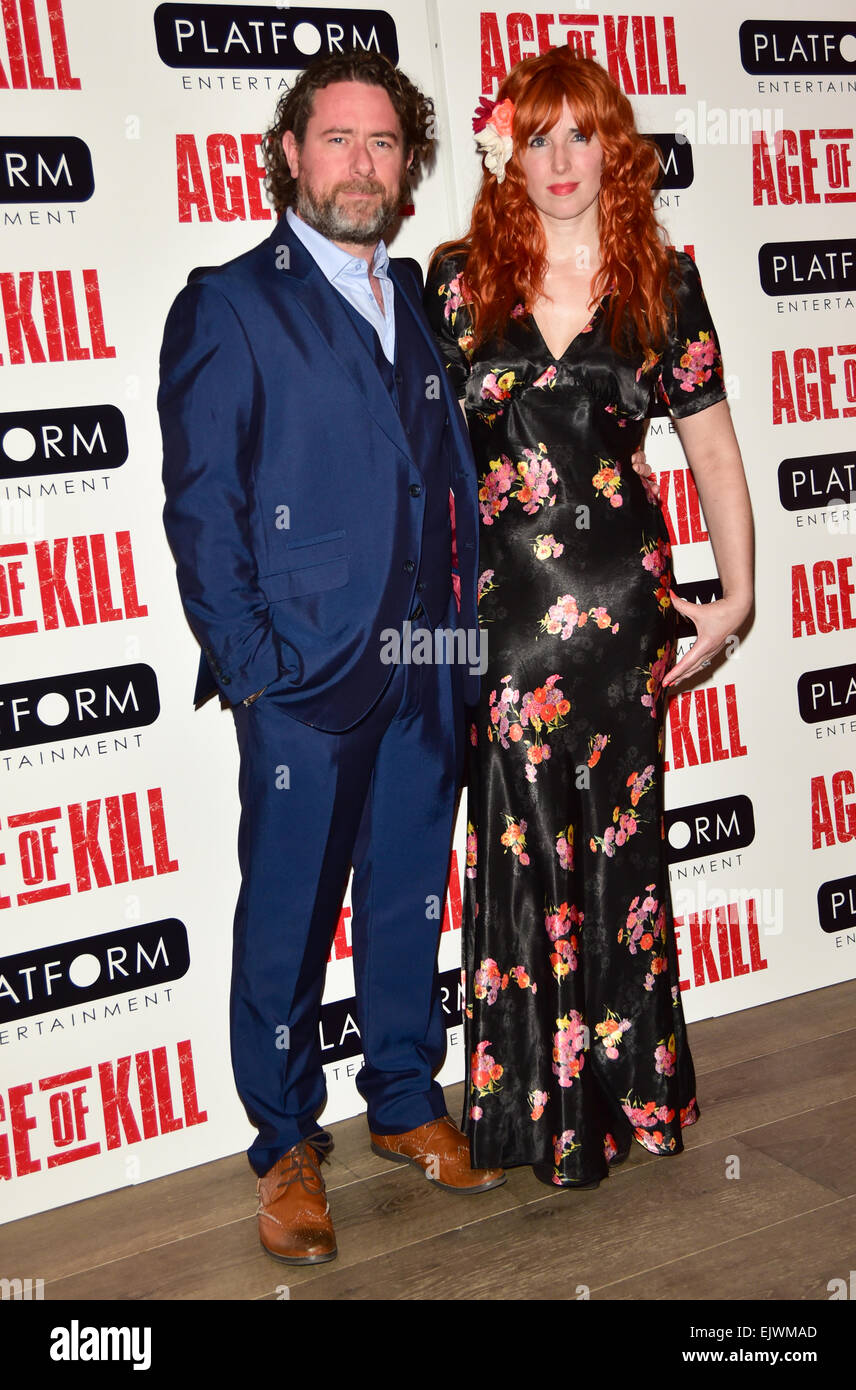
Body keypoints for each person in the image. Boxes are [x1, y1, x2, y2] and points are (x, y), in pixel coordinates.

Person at [157, 50, 508, 1268]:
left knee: (413, 889)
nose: (362, 165)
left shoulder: (415, 293)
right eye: (338, 140)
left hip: (426, 659)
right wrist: (255, 668)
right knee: (290, 918)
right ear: (292, 154)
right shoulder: (229, 301)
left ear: (407, 165)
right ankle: (286, 1143)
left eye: (383, 143)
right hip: (303, 677)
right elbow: (203, 508)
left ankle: (404, 1098)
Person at [423, 47, 754, 1187]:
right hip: (506, 634)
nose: (560, 159)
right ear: (507, 152)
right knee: (519, 866)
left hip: (624, 631)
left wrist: (738, 595)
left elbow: (713, 450)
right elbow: (422, 468)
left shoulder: (664, 283)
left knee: (620, 863)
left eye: (582, 134)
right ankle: (527, 1117)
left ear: (615, 148)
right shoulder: (458, 281)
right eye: (538, 135)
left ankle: (632, 1095)